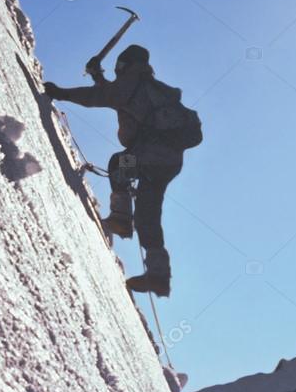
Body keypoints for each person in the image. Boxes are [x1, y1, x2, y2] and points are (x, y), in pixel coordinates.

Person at [44, 45, 201, 296]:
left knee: (120, 163)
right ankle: (158, 276)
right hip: (168, 163)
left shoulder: (131, 82)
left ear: (124, 65)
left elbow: (103, 96)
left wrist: (61, 93)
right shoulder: (154, 89)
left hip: (147, 156)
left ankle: (121, 218)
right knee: (148, 213)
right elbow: (117, 97)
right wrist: (97, 76)